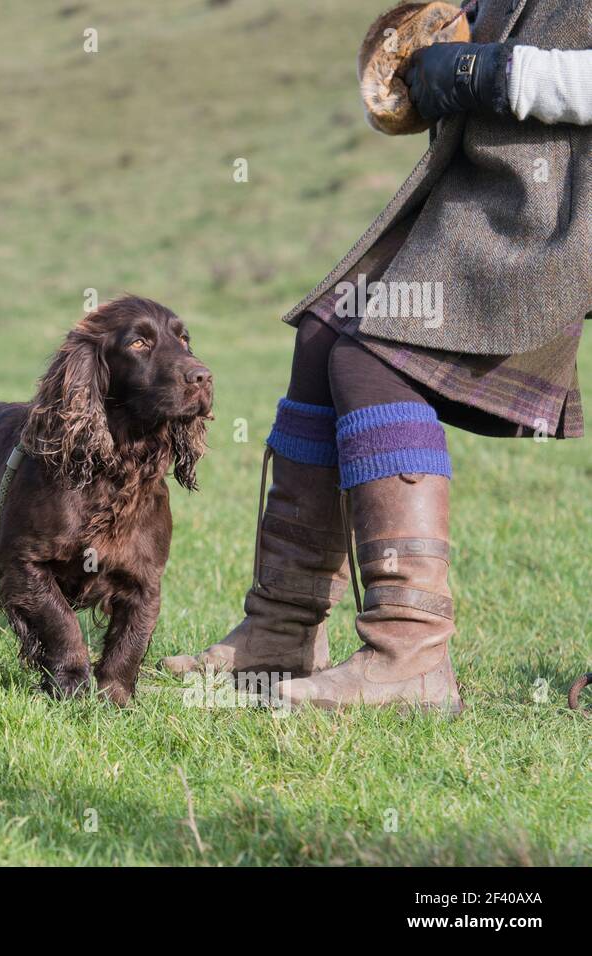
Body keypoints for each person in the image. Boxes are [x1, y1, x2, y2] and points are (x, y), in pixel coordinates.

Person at [162, 0, 591, 711]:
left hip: (561, 211)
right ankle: (283, 628)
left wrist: (503, 76)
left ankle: (411, 656)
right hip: (489, 192)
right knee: (324, 339)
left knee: (373, 359)